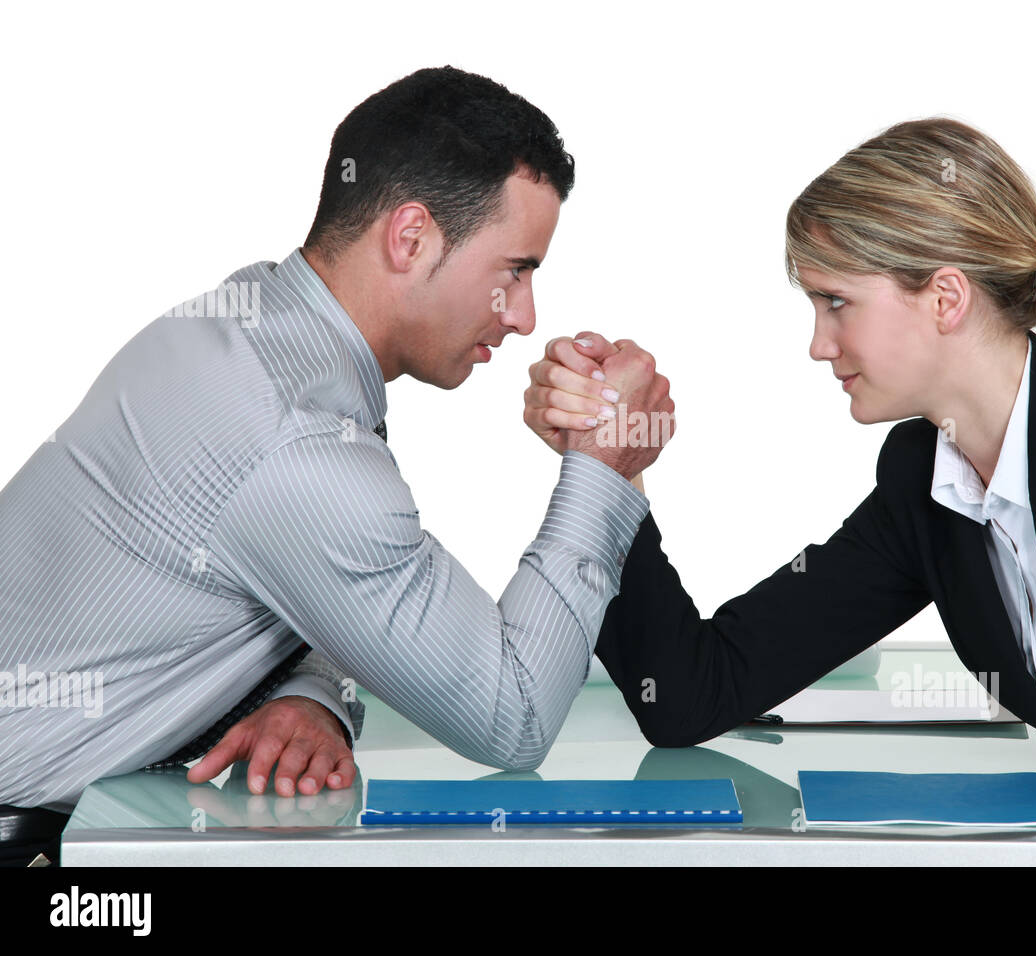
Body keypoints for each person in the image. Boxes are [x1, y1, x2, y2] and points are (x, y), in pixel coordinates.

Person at [523, 117, 1036, 866]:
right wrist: (608, 474)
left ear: (945, 298)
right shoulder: (925, 482)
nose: (818, 344)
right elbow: (691, 694)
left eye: (836, 302)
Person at [0, 66, 673, 866]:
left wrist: (313, 694)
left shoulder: (254, 322)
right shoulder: (301, 440)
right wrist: (601, 468)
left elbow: (304, 592)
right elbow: (514, 714)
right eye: (515, 271)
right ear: (411, 237)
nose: (525, 316)